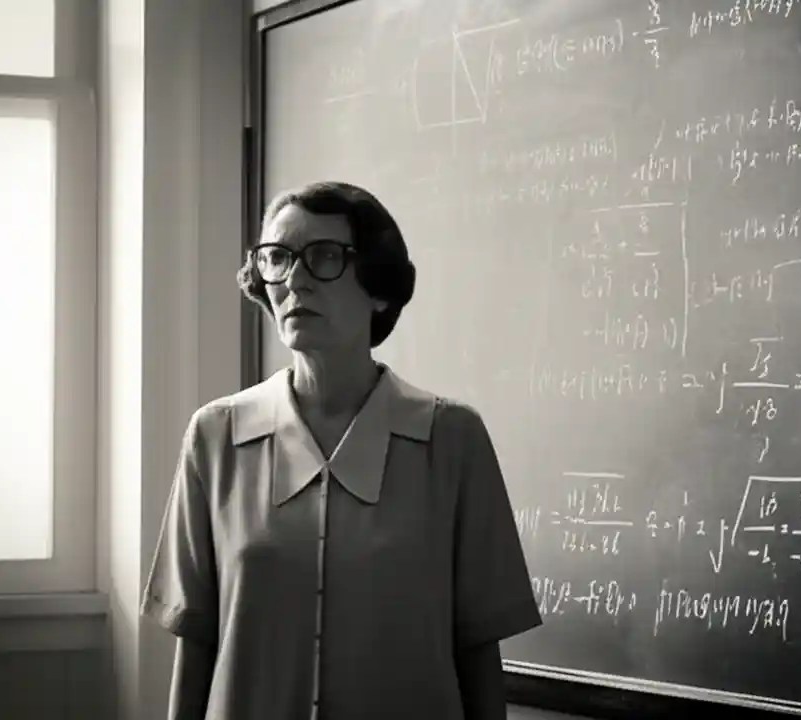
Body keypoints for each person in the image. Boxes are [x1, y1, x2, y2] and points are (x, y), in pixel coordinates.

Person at [140, 181, 542, 719]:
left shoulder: (451, 439)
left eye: (325, 256)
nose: (294, 279)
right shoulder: (216, 437)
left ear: (379, 288)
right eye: (278, 258)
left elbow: (477, 652)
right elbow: (195, 643)